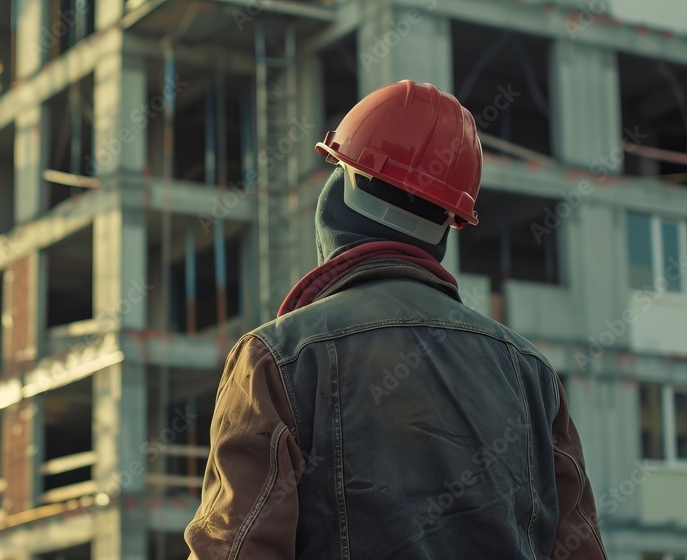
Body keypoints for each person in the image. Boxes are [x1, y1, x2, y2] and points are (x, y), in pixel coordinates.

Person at [184, 80, 606, 560]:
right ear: (449, 224)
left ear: (342, 190)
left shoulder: (277, 359)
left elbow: (238, 549)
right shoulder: (531, 374)